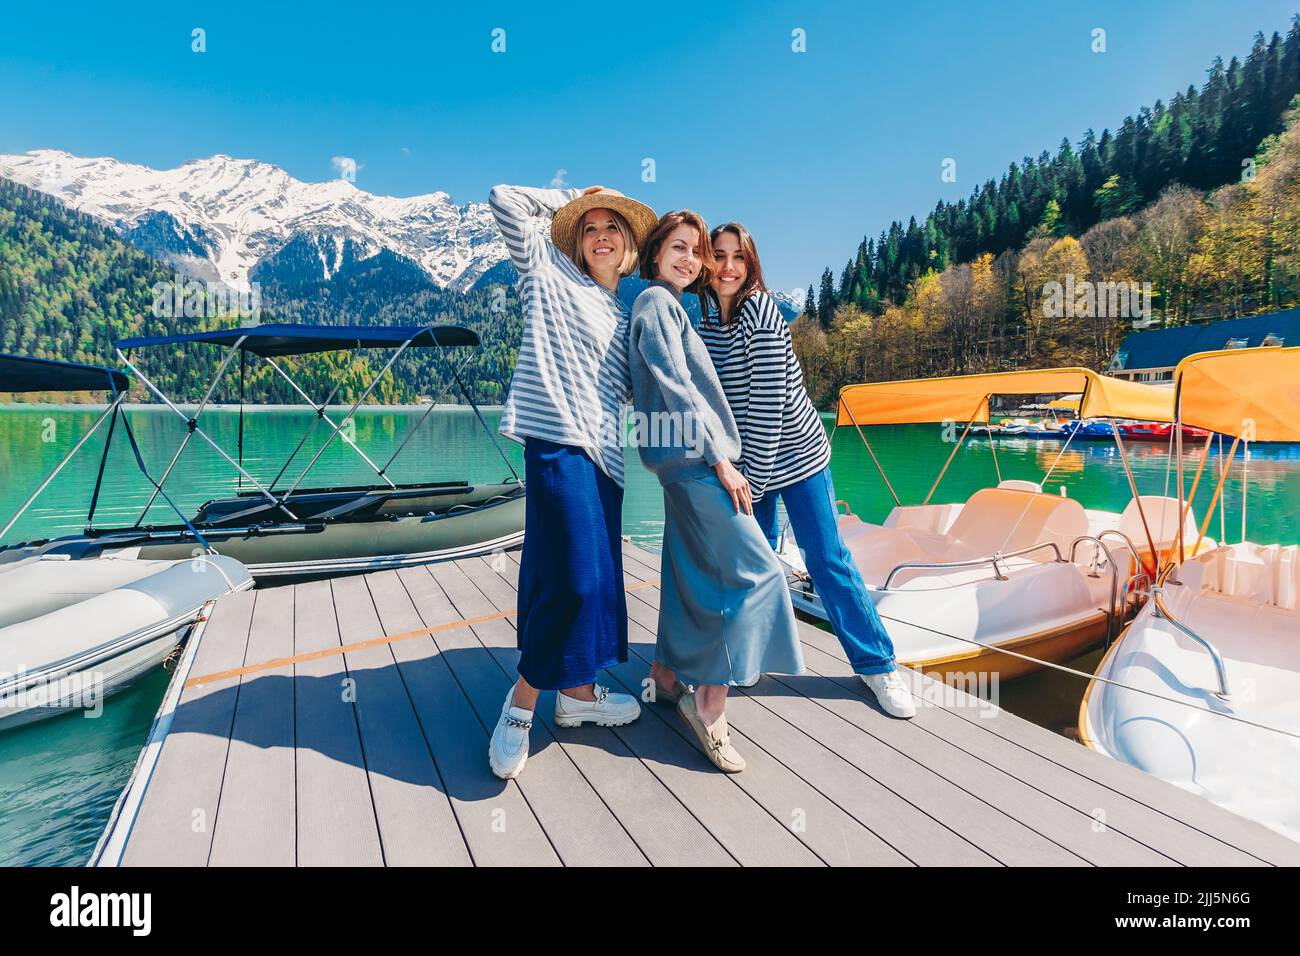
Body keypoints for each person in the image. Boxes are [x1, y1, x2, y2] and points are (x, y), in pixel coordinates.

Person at [699, 222, 915, 718]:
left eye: (739, 257)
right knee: (753, 563)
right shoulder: (710, 321)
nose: (729, 266)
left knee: (827, 558)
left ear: (751, 264)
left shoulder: (762, 311)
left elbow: (770, 405)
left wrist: (750, 478)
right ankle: (750, 654)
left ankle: (878, 666)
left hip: (795, 458)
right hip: (749, 462)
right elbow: (715, 402)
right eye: (720, 256)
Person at [485, 182, 659, 779]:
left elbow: (645, 391)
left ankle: (579, 697)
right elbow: (504, 198)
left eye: (613, 227)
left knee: (582, 576)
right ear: (576, 241)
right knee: (578, 581)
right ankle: (522, 703)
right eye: (590, 227)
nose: (602, 235)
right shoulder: (549, 274)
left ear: (630, 246)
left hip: (608, 461)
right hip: (558, 444)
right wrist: (570, 194)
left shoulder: (629, 311)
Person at [628, 210, 805, 773]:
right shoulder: (657, 304)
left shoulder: (667, 306)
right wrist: (722, 460)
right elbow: (677, 389)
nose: (689, 259)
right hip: (698, 464)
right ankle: (710, 707)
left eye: (695, 251)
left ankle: (664, 676)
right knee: (759, 576)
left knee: (686, 575)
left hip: (679, 466)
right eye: (677, 247)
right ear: (656, 252)